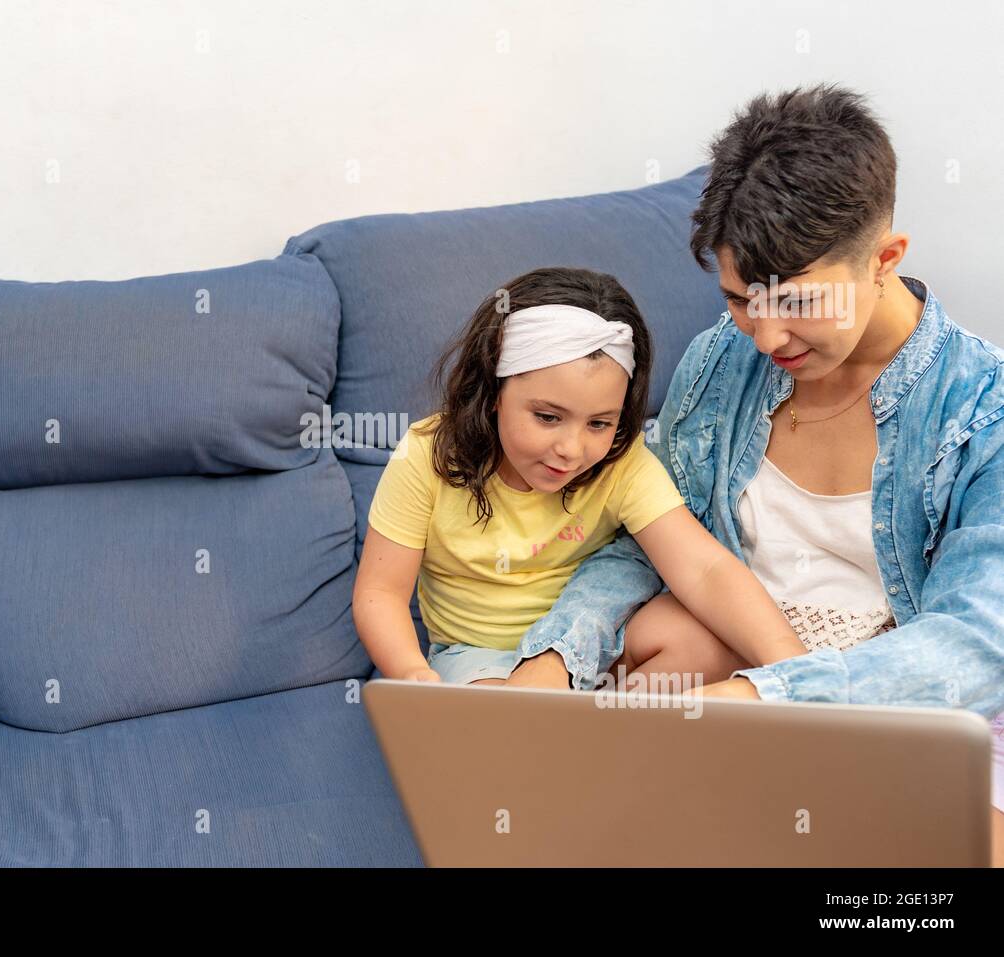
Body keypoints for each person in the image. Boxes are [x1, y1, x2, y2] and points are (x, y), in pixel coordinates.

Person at [510, 85, 1004, 865]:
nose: (766, 334)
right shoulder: (720, 359)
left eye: (798, 302)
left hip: (887, 694)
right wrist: (554, 658)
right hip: (734, 674)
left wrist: (761, 703)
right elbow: (648, 535)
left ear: (885, 261)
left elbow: (977, 645)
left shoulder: (983, 413)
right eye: (741, 299)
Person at [352, 266, 806, 688]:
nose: (571, 450)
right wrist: (412, 674)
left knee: (708, 644)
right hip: (480, 656)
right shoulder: (427, 453)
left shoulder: (621, 462)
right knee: (511, 723)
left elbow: (704, 569)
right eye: (548, 418)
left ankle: (599, 739)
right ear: (492, 392)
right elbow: (381, 592)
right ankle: (579, 743)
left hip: (597, 644)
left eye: (598, 424)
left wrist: (799, 673)